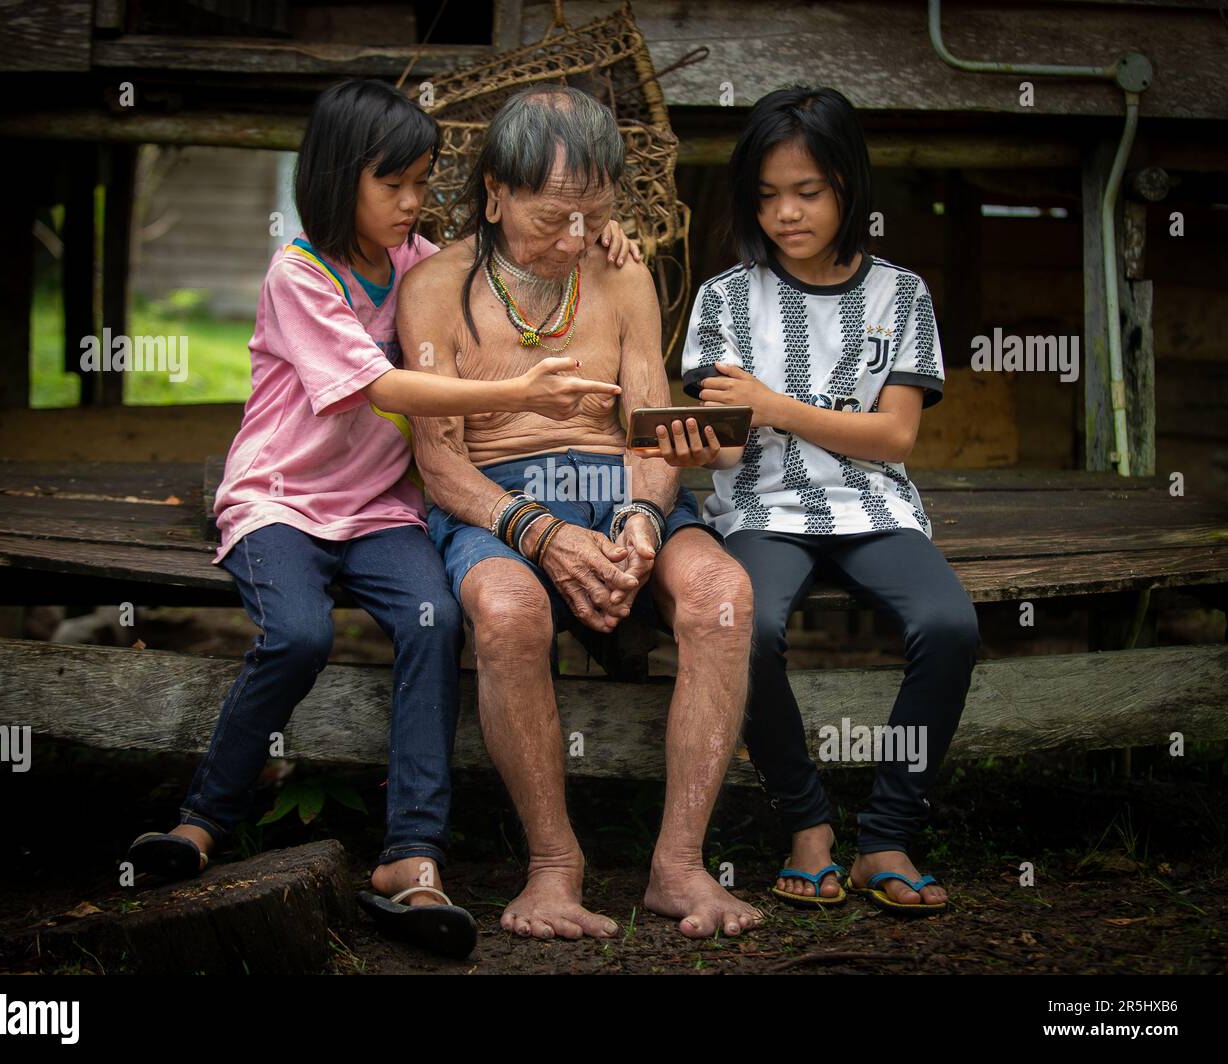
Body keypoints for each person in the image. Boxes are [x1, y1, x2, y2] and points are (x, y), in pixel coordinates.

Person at [125, 79, 631, 956]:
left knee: (434, 621)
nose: (411, 204)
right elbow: (380, 385)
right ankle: (203, 820)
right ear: (334, 179)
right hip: (281, 503)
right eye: (391, 185)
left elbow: (501, 247)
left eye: (421, 185)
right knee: (299, 634)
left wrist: (595, 229)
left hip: (379, 509)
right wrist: (514, 388)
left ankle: (410, 853)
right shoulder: (300, 273)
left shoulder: (414, 262)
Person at [399, 85, 763, 942]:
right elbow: (439, 459)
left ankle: (678, 866)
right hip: (496, 505)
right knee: (507, 608)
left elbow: (651, 427)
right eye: (551, 218)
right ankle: (553, 869)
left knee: (722, 596)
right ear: (494, 191)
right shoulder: (434, 287)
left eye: (589, 216)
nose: (573, 240)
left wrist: (640, 515)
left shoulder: (620, 270)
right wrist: (542, 532)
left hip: (619, 486)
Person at [674, 85, 981, 915]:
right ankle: (807, 824)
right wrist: (707, 435)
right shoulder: (724, 299)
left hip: (875, 504)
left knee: (950, 625)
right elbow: (732, 444)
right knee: (751, 625)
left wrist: (772, 404)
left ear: (849, 184)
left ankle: (886, 835)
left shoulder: (901, 295)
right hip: (765, 509)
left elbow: (894, 438)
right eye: (768, 196)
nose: (787, 214)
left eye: (807, 192)